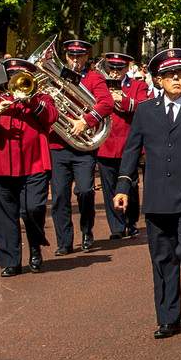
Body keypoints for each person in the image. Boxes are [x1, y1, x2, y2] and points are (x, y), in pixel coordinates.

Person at [113, 48, 181, 338]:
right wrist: (123, 186)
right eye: (169, 75)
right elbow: (131, 151)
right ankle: (168, 318)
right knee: (162, 259)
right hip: (157, 198)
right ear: (158, 80)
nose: (177, 79)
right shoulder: (145, 110)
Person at [0, 59, 56, 277]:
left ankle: (35, 245)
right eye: (12, 78)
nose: (16, 82)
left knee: (33, 208)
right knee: (2, 215)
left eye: (20, 77)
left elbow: (51, 117)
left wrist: (30, 101)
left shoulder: (41, 99)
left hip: (34, 162)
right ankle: (11, 261)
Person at [48, 39, 101, 254]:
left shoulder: (94, 77)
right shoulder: (54, 77)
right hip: (58, 145)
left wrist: (85, 121)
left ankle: (87, 231)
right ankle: (64, 241)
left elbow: (105, 103)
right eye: (71, 55)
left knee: (86, 191)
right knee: (60, 195)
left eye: (79, 56)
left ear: (87, 56)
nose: (75, 60)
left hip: (82, 147)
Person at [90, 52, 142, 240]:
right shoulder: (100, 86)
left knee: (131, 185)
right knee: (109, 187)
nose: (114, 73)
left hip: (129, 143)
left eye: (119, 69)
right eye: (111, 68)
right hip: (106, 142)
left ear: (126, 69)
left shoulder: (137, 85)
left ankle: (131, 221)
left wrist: (123, 100)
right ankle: (117, 226)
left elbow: (144, 107)